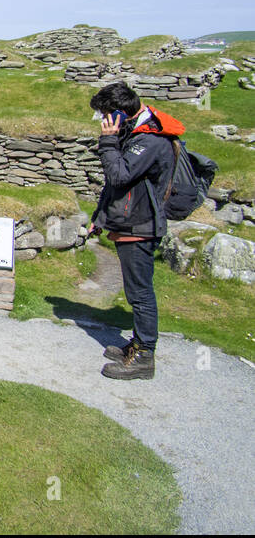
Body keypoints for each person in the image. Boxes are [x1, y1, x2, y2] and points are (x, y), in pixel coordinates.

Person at [88, 81, 185, 381]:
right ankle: (137, 344)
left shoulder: (151, 140)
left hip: (140, 225)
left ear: (118, 113)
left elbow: (118, 175)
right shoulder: (137, 132)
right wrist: (99, 217)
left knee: (140, 293)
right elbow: (119, 187)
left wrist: (107, 141)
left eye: (105, 114)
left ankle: (144, 357)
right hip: (130, 221)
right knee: (136, 290)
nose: (102, 121)